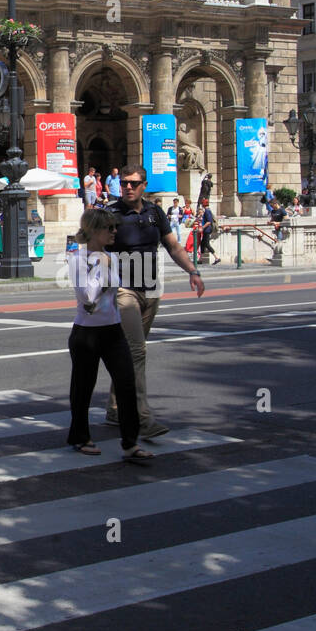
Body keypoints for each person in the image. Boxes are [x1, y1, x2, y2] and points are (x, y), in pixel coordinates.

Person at [105, 164, 205, 440]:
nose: (128, 187)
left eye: (133, 183)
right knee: (137, 352)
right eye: (124, 183)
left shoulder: (155, 213)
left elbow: (173, 246)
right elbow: (93, 247)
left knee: (130, 353)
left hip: (151, 290)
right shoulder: (110, 214)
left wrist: (193, 271)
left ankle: (115, 407)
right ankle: (142, 418)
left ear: (144, 186)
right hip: (123, 289)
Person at [66, 208, 152, 465]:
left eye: (115, 227)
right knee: (83, 387)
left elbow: (113, 296)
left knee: (126, 383)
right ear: (94, 231)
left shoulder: (112, 256)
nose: (115, 231)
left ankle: (130, 443)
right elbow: (87, 297)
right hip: (86, 333)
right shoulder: (77, 259)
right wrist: (102, 268)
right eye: (109, 228)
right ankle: (80, 437)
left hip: (113, 330)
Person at [199, 198, 221, 265]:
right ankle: (200, 259)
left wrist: (202, 227)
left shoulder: (207, 211)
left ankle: (216, 258)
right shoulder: (207, 211)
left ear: (203, 204)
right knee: (202, 244)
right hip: (206, 230)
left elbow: (208, 222)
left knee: (207, 244)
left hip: (207, 230)